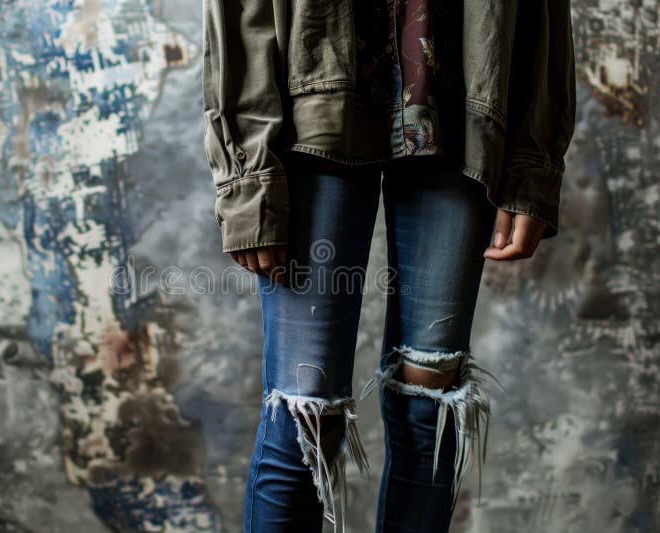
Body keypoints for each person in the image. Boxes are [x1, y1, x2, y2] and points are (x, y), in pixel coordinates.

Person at [202, 0, 576, 531]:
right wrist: (248, 177)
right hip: (313, 111)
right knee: (305, 418)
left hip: (456, 105)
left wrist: (532, 163)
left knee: (431, 410)